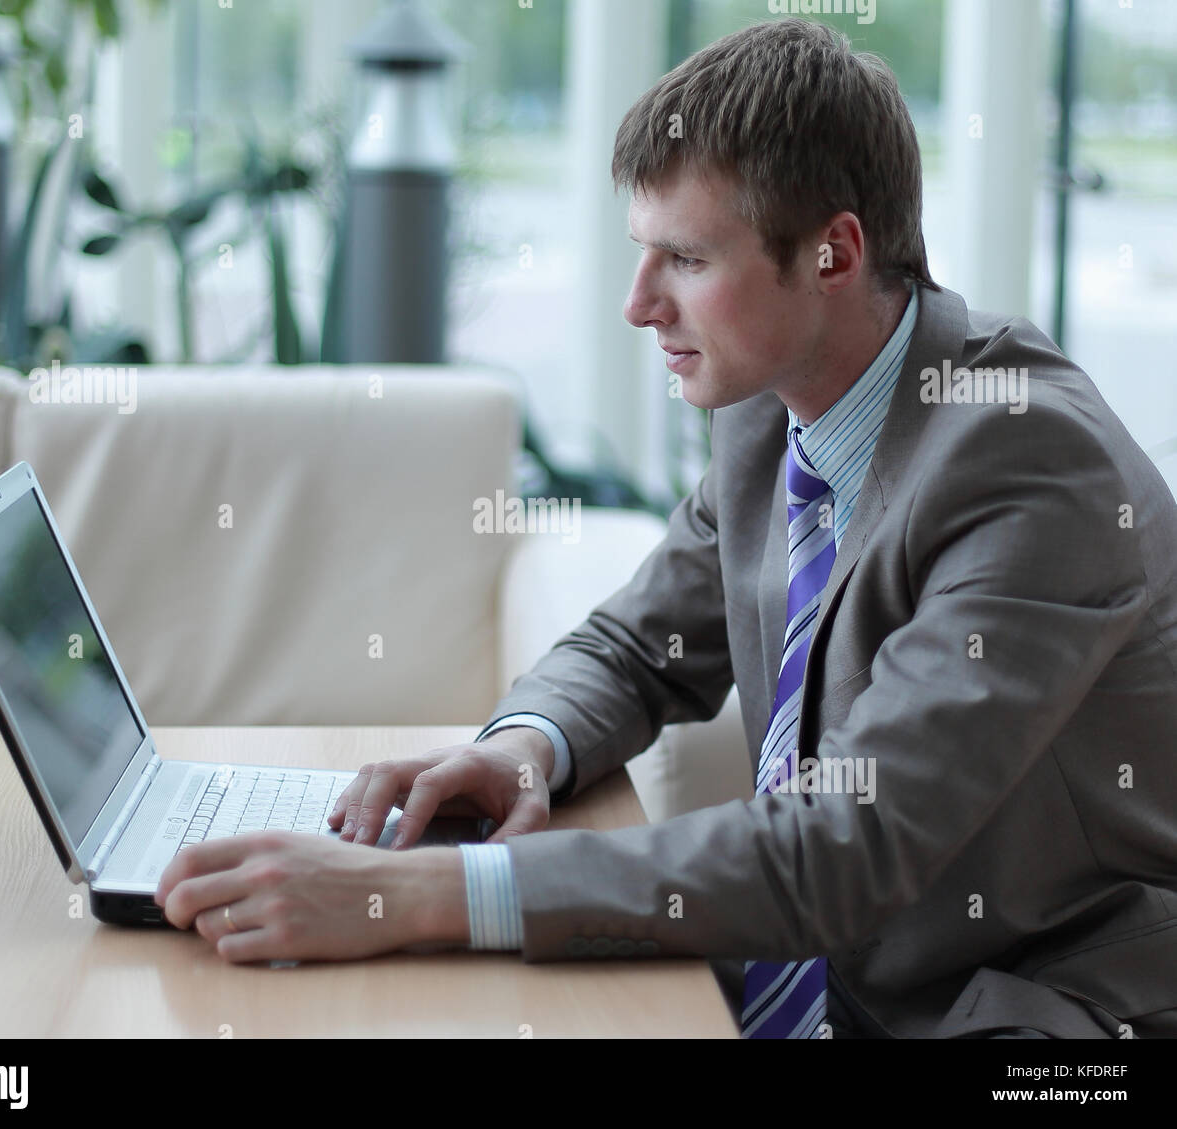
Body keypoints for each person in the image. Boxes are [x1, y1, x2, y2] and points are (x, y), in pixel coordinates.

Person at [155, 18, 1177, 1038]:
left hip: (1053, 1017)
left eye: (683, 258)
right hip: (843, 973)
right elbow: (642, 645)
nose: (639, 305)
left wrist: (428, 894)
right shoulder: (771, 406)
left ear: (833, 252)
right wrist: (522, 746)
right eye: (644, 253)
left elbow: (844, 846)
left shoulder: (1030, 463)